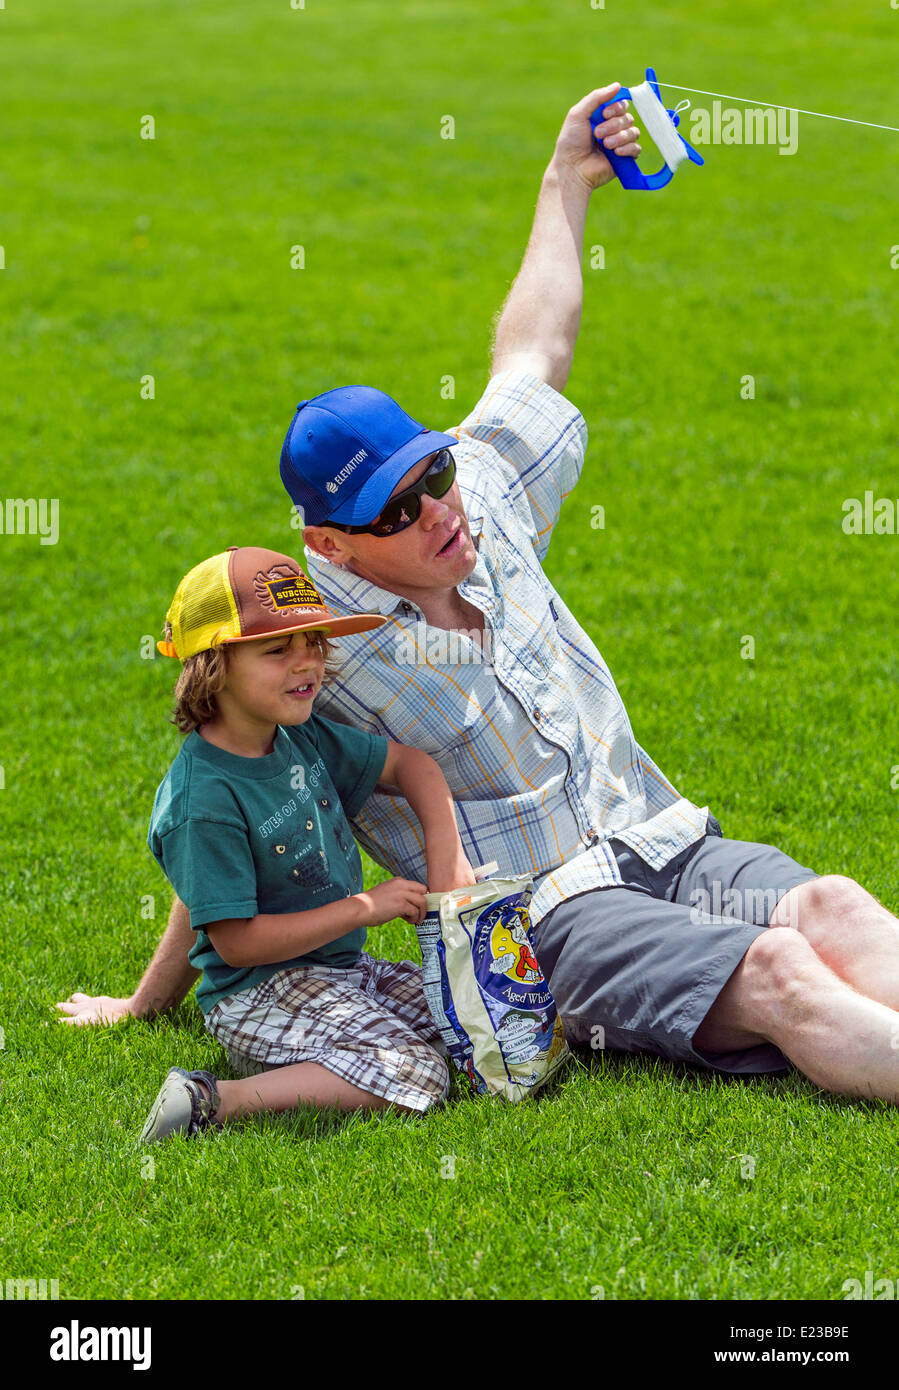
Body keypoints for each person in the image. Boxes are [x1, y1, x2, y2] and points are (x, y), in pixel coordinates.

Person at [61, 83, 899, 1105]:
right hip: (550, 925)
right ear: (333, 543)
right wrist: (147, 1002)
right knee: (779, 972)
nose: (436, 510)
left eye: (433, 474)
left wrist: (565, 181)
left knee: (833, 905)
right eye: (397, 510)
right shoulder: (312, 653)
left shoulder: (478, 494)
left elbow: (532, 351)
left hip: (664, 842)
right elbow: (228, 802)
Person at [138, 545, 474, 1141]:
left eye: (314, 643)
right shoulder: (203, 803)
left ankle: (324, 1065)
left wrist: (446, 858)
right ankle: (214, 1098)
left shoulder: (298, 734)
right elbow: (236, 944)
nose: (307, 664)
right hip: (258, 994)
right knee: (419, 1072)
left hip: (339, 969)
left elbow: (413, 766)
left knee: (468, 1022)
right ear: (214, 665)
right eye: (277, 649)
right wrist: (366, 908)